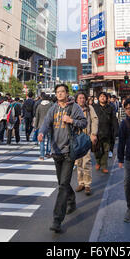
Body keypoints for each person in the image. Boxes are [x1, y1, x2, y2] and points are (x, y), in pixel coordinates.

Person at [38, 83, 87, 233]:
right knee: (62, 182)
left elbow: (84, 122)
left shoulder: (74, 108)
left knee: (63, 185)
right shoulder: (53, 108)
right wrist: (41, 133)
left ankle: (57, 220)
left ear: (67, 93)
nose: (60, 94)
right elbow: (46, 123)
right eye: (57, 92)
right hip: (56, 151)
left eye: (62, 92)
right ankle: (71, 201)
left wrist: (71, 120)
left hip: (68, 151)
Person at [74, 91, 98, 196]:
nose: (82, 100)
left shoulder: (89, 108)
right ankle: (81, 182)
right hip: (76, 138)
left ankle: (87, 184)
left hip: (86, 137)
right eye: (80, 98)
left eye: (83, 98)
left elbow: (95, 120)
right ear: (76, 99)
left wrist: (93, 133)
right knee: (78, 162)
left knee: (86, 161)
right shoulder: (73, 108)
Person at [93, 91, 118, 174]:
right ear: (98, 98)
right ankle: (98, 162)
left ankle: (104, 166)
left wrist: (116, 130)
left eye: (104, 96)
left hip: (107, 131)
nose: (102, 98)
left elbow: (114, 119)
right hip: (96, 132)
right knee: (96, 149)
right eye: (101, 96)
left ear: (107, 98)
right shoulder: (94, 107)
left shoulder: (110, 108)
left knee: (105, 150)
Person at [34, 92, 53, 160]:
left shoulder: (39, 106)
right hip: (49, 125)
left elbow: (37, 116)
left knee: (41, 140)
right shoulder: (51, 105)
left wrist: (35, 126)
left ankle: (41, 155)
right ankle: (48, 153)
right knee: (49, 139)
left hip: (41, 125)